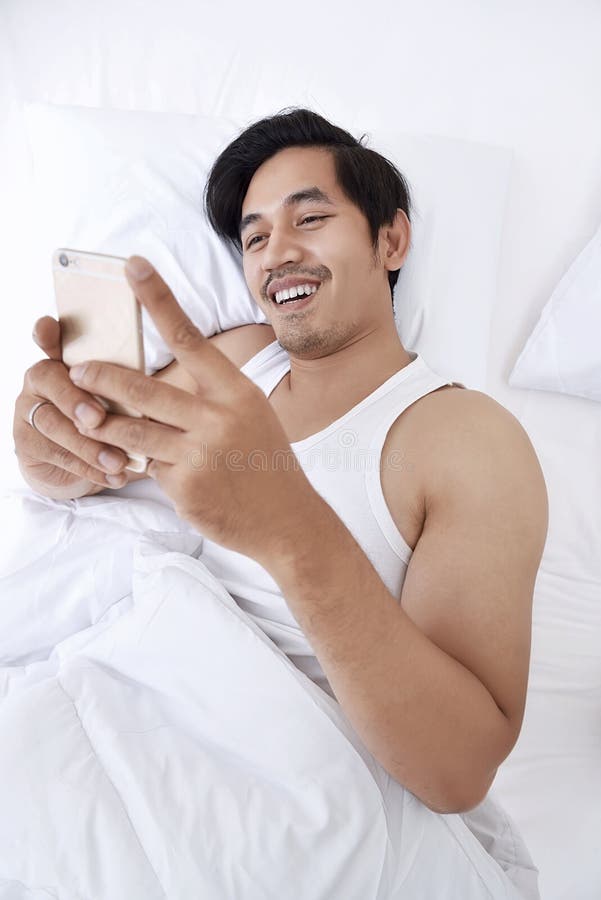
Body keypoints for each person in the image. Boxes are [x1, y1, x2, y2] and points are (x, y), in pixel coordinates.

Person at [12, 108, 547, 885]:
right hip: (118, 696)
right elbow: (94, 460)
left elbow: (457, 771)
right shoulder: (241, 362)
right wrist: (44, 448)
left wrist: (291, 532)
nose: (277, 252)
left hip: (283, 785)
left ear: (389, 241)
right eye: (254, 237)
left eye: (310, 218)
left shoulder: (462, 437)